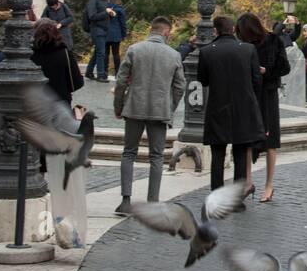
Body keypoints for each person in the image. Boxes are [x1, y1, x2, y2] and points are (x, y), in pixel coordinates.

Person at [113, 16, 185, 214]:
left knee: (129, 153)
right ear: (166, 32)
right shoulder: (173, 55)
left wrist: (119, 106)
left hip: (135, 107)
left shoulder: (134, 50)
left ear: (151, 30)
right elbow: (180, 86)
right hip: (159, 110)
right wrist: (170, 107)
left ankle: (126, 201)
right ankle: (152, 201)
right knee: (156, 156)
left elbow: (120, 81)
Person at [196, 14, 264, 192]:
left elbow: (203, 80)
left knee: (217, 154)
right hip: (243, 108)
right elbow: (257, 80)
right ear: (232, 29)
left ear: (214, 31)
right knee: (241, 153)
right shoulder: (248, 49)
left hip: (218, 108)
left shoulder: (207, 51)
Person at [237, 11, 290, 202]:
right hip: (249, 95)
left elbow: (285, 67)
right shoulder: (243, 44)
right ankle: (248, 183)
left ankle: (269, 185)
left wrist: (265, 71)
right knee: (248, 140)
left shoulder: (273, 40)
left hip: (267, 94)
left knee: (270, 141)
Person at [32, 18, 84, 102]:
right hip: (60, 104)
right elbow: (77, 83)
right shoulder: (65, 53)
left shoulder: (28, 54)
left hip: (34, 105)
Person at [83, 0, 115, 82]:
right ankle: (100, 75)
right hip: (96, 29)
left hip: (104, 29)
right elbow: (92, 16)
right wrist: (106, 12)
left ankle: (89, 72)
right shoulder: (93, 0)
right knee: (101, 52)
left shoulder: (105, 0)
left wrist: (110, 14)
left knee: (98, 51)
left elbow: (103, 15)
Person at [105, 0, 127, 79]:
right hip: (116, 34)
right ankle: (117, 73)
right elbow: (123, 23)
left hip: (106, 33)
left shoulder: (105, 7)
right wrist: (124, 34)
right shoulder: (119, 9)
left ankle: (104, 72)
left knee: (105, 54)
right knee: (116, 54)